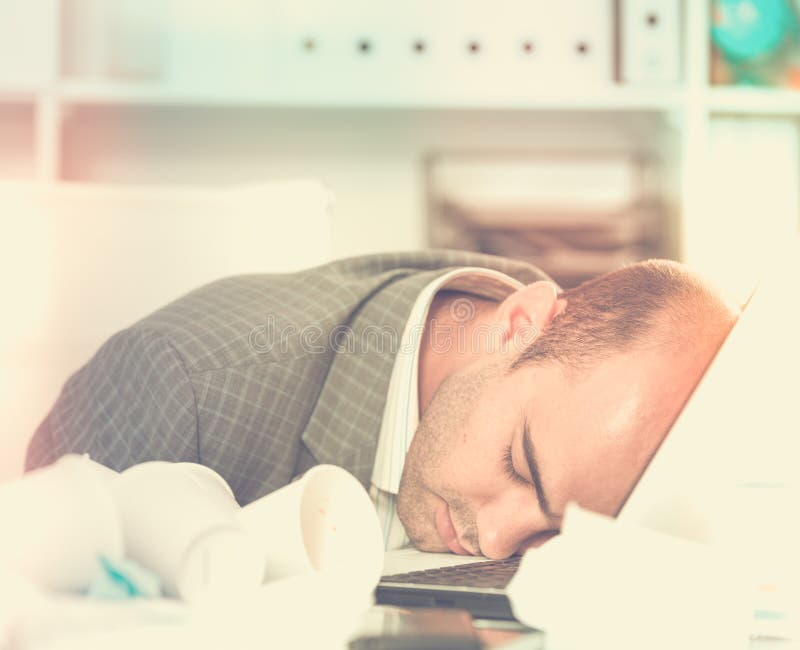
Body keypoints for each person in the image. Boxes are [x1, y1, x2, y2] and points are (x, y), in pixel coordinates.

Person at [25, 250, 736, 559]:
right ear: (518, 323)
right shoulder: (173, 388)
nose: (494, 542)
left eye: (556, 530)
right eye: (519, 466)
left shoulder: (571, 364)